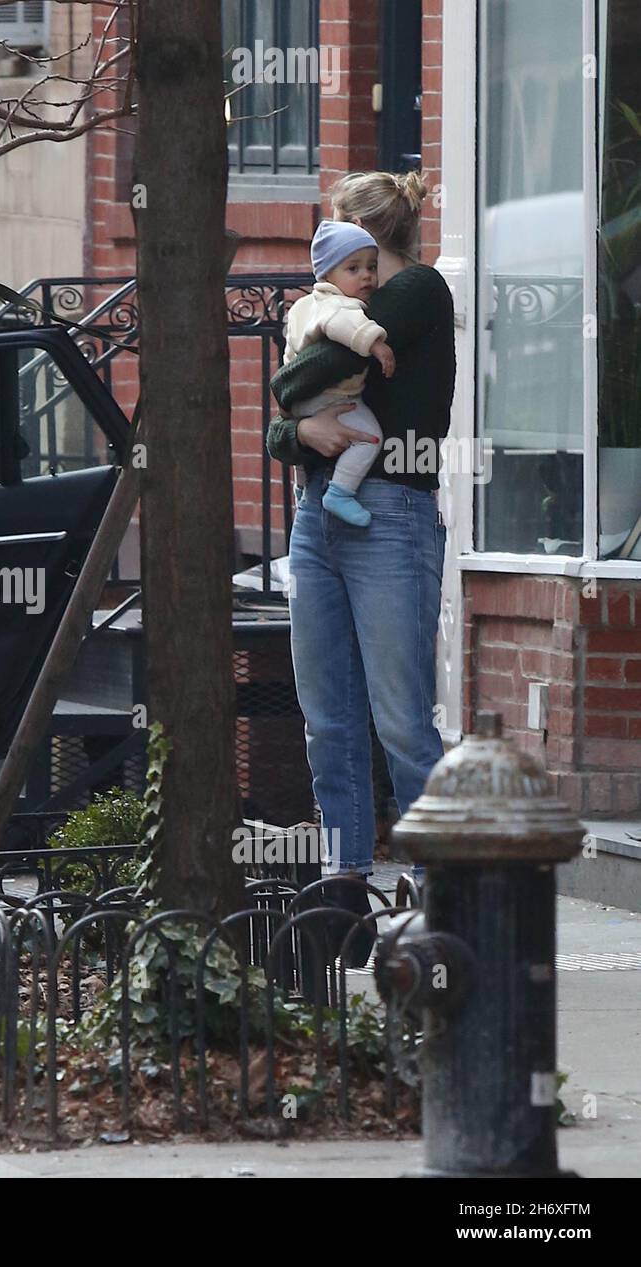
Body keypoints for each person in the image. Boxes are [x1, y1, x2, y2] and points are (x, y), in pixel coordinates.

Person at [266, 170, 455, 966]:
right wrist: (297, 435)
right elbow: (287, 427)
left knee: (403, 719)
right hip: (319, 516)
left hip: (391, 518)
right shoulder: (340, 304)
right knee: (329, 720)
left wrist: (292, 409)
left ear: (367, 241)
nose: (328, 262)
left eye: (340, 243)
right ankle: (344, 891)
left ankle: (439, 891)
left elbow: (295, 384)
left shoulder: (415, 292)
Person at [282, 220, 396, 527]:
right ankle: (341, 492)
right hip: (334, 397)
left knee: (308, 445)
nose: (367, 276)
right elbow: (347, 325)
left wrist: (287, 400)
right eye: (353, 268)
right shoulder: (339, 305)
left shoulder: (303, 306)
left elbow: (289, 356)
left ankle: (302, 486)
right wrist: (377, 345)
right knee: (369, 438)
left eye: (371, 267)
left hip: (303, 401)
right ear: (327, 274)